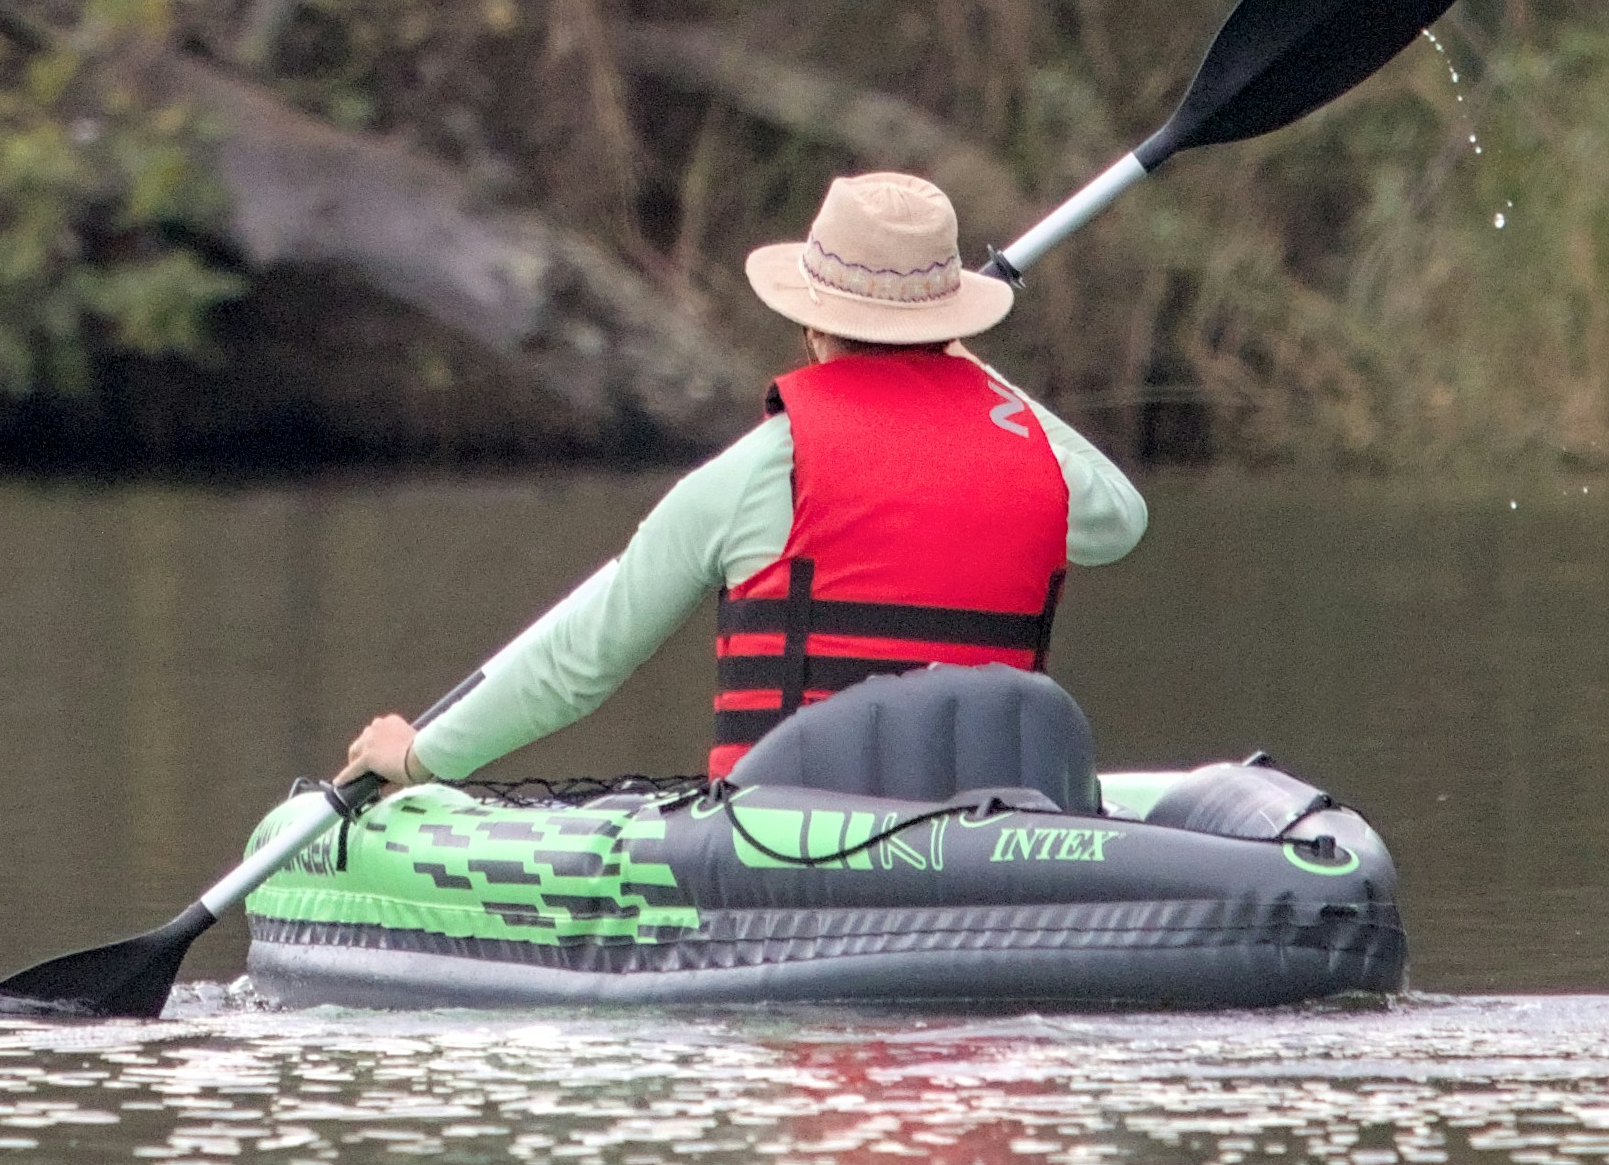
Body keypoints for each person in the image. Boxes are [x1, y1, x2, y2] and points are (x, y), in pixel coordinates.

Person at [341, 167, 1145, 790]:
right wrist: (961, 354)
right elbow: (1122, 518)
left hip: (794, 838)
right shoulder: (1030, 453)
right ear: (954, 325)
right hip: (992, 828)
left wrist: (420, 756)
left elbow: (585, 661)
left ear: (811, 321)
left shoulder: (762, 467)